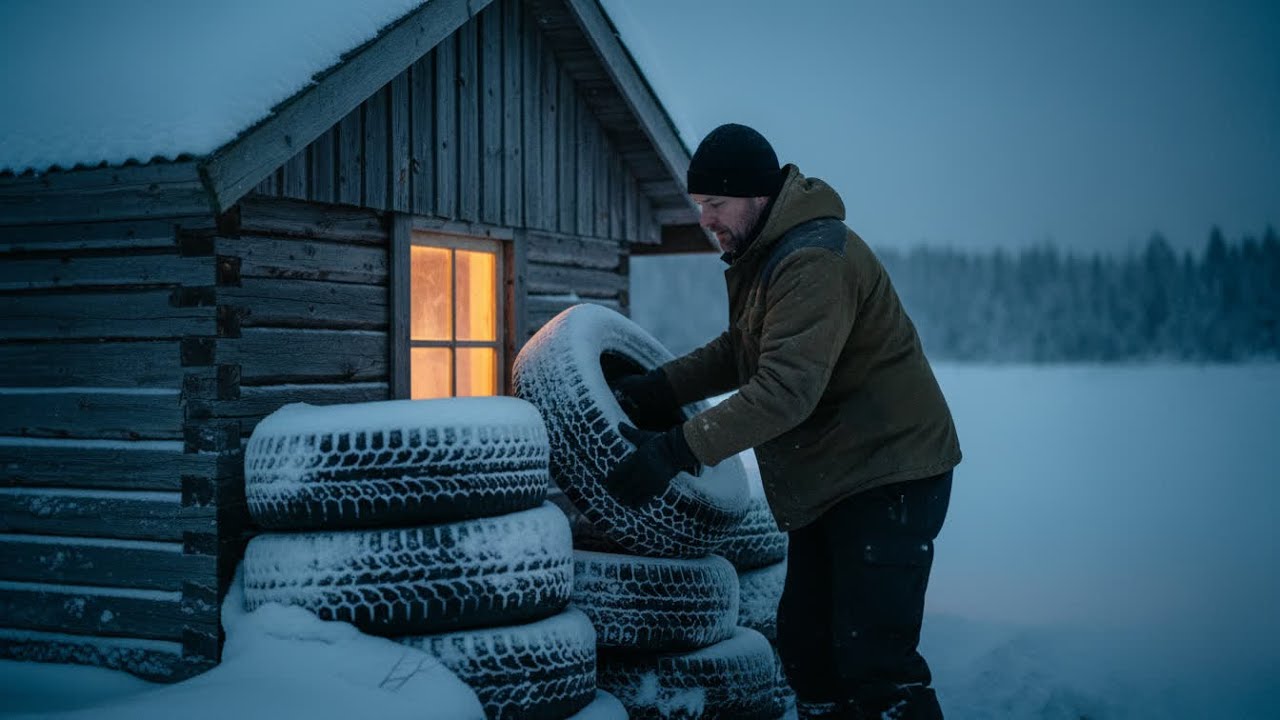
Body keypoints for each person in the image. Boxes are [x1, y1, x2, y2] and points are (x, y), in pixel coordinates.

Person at [604, 123, 961, 719]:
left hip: (888, 477)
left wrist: (676, 450)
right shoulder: (772, 254)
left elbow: (784, 391)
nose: (706, 220)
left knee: (875, 663)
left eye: (715, 204)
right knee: (809, 651)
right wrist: (655, 388)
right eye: (699, 206)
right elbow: (740, 352)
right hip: (836, 480)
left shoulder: (813, 260)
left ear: (755, 196)